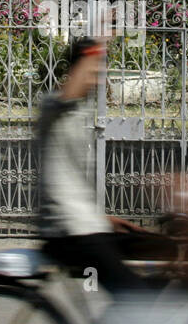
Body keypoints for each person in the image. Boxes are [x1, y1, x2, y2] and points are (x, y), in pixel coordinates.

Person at [35, 36, 149, 296]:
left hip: (83, 224)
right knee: (135, 295)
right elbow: (70, 91)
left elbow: (73, 183)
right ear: (79, 66)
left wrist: (106, 220)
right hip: (67, 229)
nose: (98, 78)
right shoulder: (54, 105)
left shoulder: (79, 109)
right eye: (95, 70)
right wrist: (99, 41)